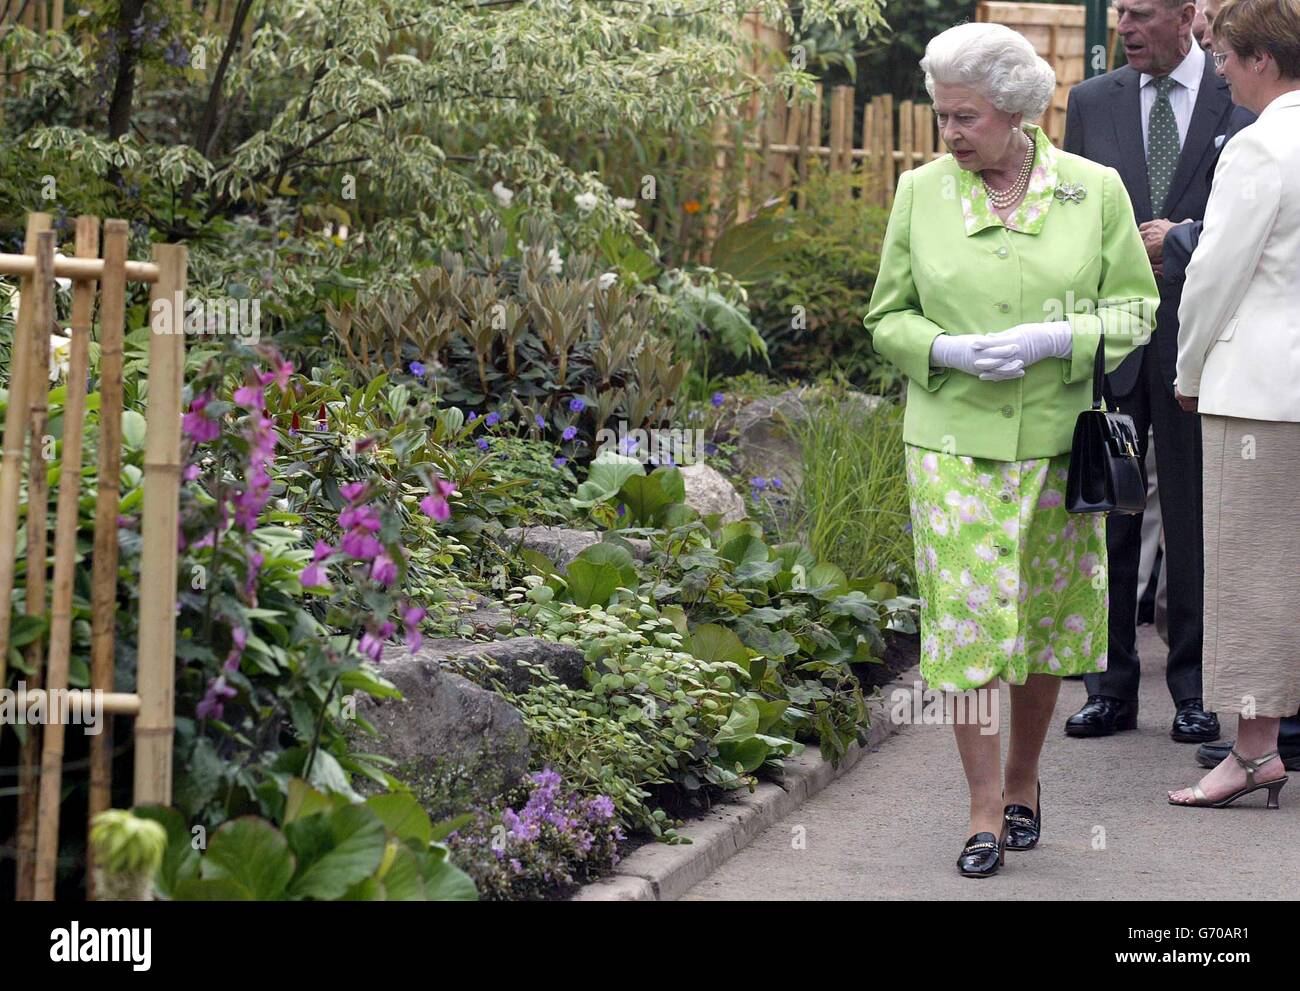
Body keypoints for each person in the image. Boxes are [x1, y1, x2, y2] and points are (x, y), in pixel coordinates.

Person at [864, 22, 1157, 876]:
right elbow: (887, 315)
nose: (950, 132)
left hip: (1059, 446)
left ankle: (1025, 777)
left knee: (1040, 621)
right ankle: (983, 807)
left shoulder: (1092, 191)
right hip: (950, 443)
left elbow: (1135, 309)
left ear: (1017, 110)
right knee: (967, 620)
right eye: (942, 115)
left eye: (967, 117)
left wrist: (1057, 338)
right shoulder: (920, 193)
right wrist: (944, 349)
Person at [1060, 0, 1252, 743]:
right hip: (1113, 345)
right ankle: (1108, 687)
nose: (1125, 29)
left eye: (1141, 14)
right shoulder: (1090, 101)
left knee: (1196, 517)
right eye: (1119, 14)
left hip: (1202, 343)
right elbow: (1071, 219)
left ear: (1185, 15)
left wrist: (1183, 242)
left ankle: (1196, 690)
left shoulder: (1239, 97)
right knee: (1109, 512)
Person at [1167, 0, 1300, 807]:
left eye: (1223, 56)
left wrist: (1187, 370)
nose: (1217, 71)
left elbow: (1214, 274)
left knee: (1253, 574)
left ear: (1262, 60)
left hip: (1260, 393)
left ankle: (1254, 752)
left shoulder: (1259, 145)